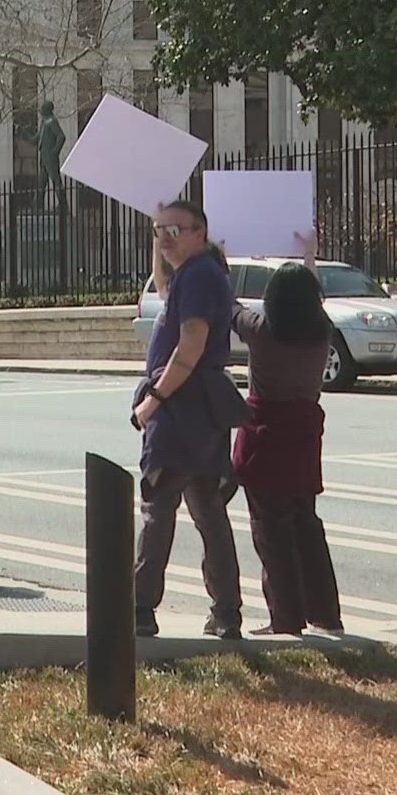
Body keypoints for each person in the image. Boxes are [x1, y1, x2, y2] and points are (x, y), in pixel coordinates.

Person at [134, 201, 245, 640]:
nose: (164, 238)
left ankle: (140, 610)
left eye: (174, 230)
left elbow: (192, 343)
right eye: (160, 230)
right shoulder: (193, 274)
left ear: (200, 232)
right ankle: (226, 613)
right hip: (196, 407)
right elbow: (164, 292)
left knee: (159, 510)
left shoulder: (199, 275)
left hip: (183, 407)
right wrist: (156, 234)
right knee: (208, 512)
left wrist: (154, 400)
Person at [234, 231, 343, 638]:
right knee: (306, 524)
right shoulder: (321, 333)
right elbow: (314, 301)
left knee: (271, 531)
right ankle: (325, 613)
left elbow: (228, 307)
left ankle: (286, 617)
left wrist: (219, 253)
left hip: (265, 436)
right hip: (302, 435)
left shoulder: (261, 330)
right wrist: (310, 256)